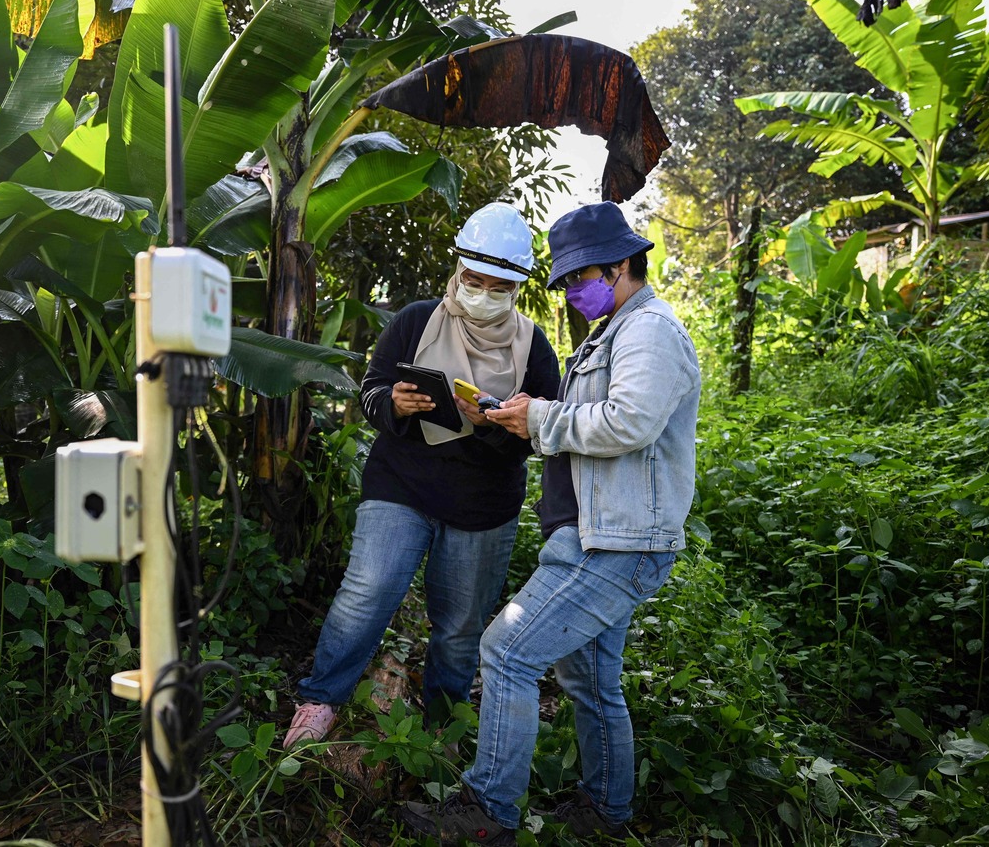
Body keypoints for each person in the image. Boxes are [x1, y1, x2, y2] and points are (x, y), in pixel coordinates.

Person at [401, 202, 701, 843]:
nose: (572, 291)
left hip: (616, 542)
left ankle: (488, 815)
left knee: (504, 651)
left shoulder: (648, 331)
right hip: (596, 533)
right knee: (590, 681)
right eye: (564, 281)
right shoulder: (614, 330)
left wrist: (539, 418)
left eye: (581, 277)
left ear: (622, 266)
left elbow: (628, 423)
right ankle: (606, 814)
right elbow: (586, 424)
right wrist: (526, 416)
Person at [283, 203, 562, 747]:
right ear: (458, 271)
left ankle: (441, 726)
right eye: (473, 281)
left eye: (496, 286)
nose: (481, 293)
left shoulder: (536, 351)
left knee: (460, 626)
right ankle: (320, 699)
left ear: (516, 288)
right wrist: (395, 403)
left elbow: (537, 436)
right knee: (369, 589)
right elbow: (370, 389)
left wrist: (493, 424)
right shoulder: (416, 320)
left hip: (483, 504)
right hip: (402, 483)